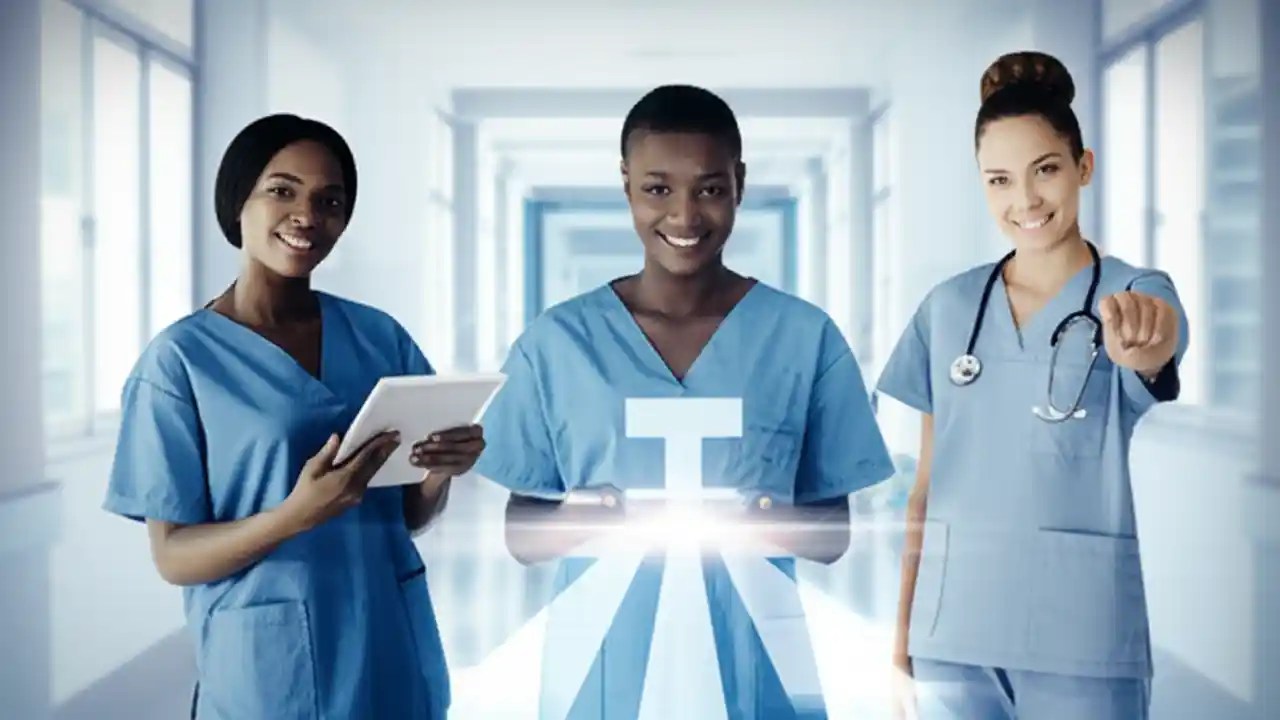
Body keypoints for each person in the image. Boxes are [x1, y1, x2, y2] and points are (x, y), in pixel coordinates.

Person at [472, 84, 896, 719]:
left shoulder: (804, 338)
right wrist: (581, 520)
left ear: (740, 183)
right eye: (657, 188)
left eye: (709, 188)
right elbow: (521, 536)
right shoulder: (558, 342)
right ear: (625, 185)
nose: (684, 216)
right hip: (605, 664)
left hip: (754, 666)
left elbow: (833, 534)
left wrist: (766, 521)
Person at [102, 113, 484, 720]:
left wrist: (441, 473)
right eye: (282, 191)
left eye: (329, 200)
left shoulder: (381, 337)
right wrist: (292, 517)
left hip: (388, 641)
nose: (308, 214)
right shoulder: (180, 362)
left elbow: (409, 515)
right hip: (268, 665)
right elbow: (173, 556)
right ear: (238, 202)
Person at [877, 51, 1189, 719]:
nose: (1024, 201)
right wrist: (903, 639)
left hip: (1080, 633)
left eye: (1045, 170)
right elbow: (925, 489)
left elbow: (1156, 341)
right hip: (951, 632)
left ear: (1083, 167)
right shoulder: (950, 307)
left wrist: (1144, 339)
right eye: (999, 180)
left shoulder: (1131, 291)